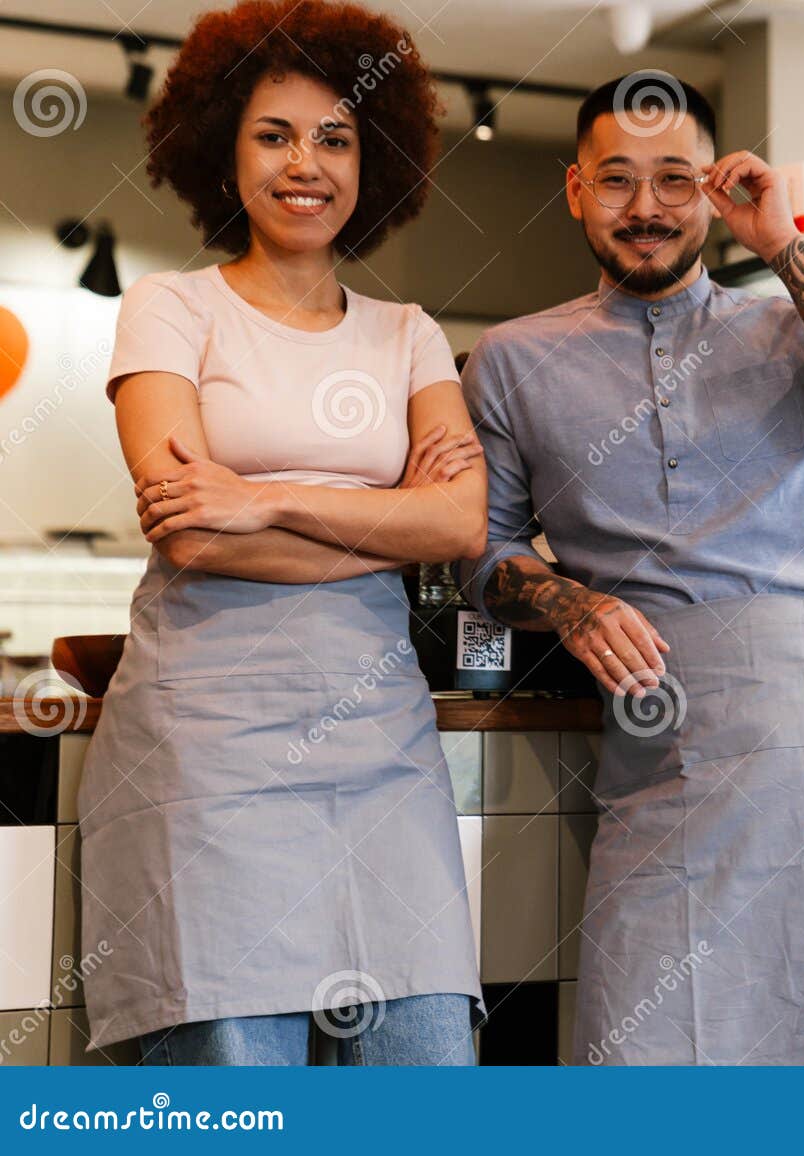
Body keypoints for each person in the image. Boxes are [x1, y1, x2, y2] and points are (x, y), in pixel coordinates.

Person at [456, 74, 804, 1064]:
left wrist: (781, 244)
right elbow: (480, 551)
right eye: (618, 181)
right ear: (574, 189)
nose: (645, 209)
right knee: (639, 1049)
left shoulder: (790, 324)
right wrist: (567, 598)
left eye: (675, 180)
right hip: (655, 736)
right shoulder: (509, 358)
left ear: (714, 192)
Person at [79, 0, 485, 1065]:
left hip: (382, 747)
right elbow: (192, 538)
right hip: (207, 747)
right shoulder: (169, 310)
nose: (307, 162)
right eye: (275, 133)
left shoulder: (409, 335)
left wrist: (265, 496)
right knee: (232, 1081)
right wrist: (388, 520)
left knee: (425, 1061)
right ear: (224, 153)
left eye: (337, 136)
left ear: (373, 162)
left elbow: (460, 518)